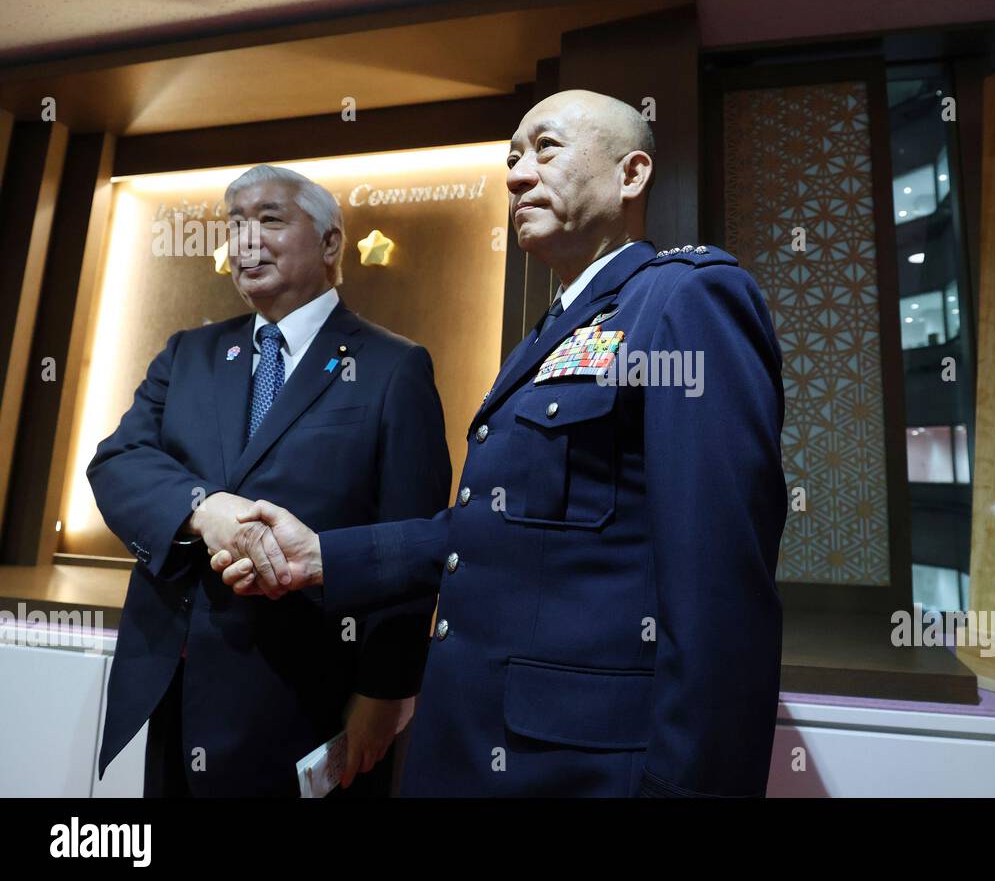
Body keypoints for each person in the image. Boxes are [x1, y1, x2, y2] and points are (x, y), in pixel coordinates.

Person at [215, 91, 787, 797]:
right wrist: (320, 556)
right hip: (470, 745)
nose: (516, 175)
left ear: (631, 174)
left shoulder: (683, 302)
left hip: (579, 768)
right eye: (511, 158)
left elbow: (721, 597)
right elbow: (486, 534)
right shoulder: (552, 336)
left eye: (544, 148)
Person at [90, 164, 452, 796]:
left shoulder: (394, 367)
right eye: (234, 224)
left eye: (270, 219)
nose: (245, 240)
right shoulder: (189, 353)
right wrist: (205, 509)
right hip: (182, 689)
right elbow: (119, 461)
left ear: (332, 243)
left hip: (307, 698)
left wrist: (382, 693)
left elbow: (408, 543)